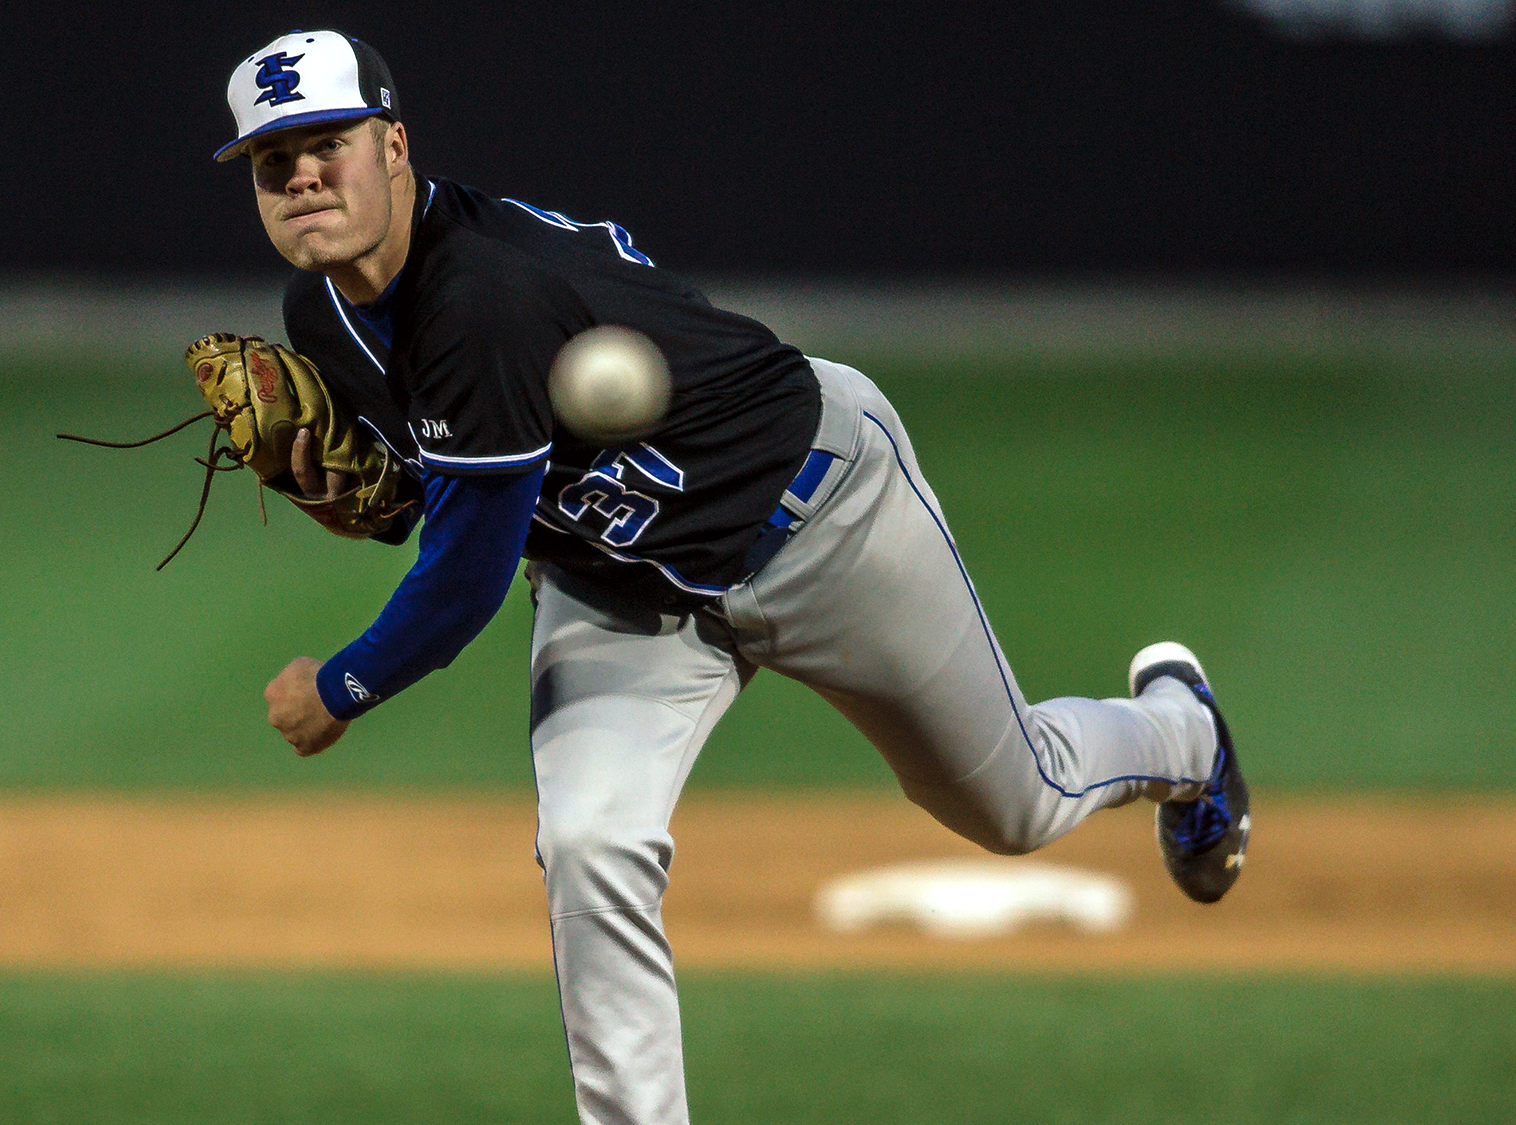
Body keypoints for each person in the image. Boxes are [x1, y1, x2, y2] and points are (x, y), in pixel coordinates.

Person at [219, 30, 1250, 1125]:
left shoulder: (483, 293)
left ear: (392, 144)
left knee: (1016, 803)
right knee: (590, 841)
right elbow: (458, 495)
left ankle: (1182, 734)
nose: (303, 178)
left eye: (325, 143)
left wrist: (340, 689)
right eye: (271, 163)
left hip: (821, 521)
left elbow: (467, 573)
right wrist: (366, 499)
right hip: (619, 585)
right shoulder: (316, 316)